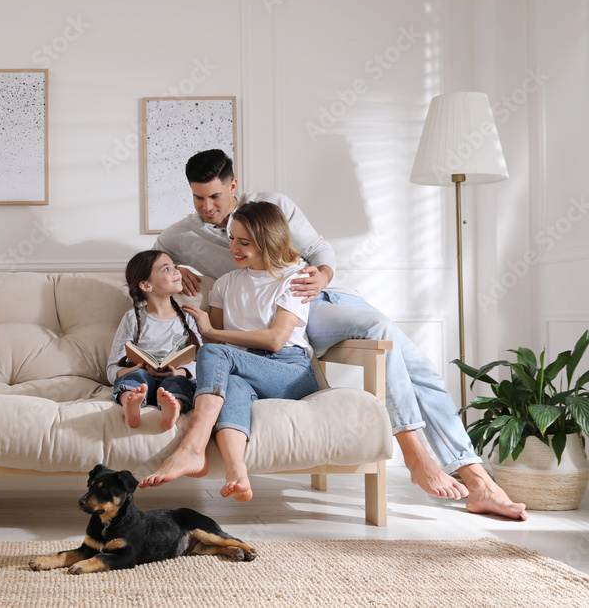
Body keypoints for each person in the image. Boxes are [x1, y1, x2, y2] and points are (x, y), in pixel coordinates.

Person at [142, 148, 527, 521]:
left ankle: (446, 466)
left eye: (214, 196)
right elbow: (153, 256)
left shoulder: (272, 206)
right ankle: (460, 476)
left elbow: (319, 250)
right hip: (273, 323)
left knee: (412, 362)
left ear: (233, 185)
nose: (207, 207)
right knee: (396, 349)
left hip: (315, 300)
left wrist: (319, 277)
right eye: (197, 198)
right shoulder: (185, 235)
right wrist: (176, 266)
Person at [177, 201, 319, 501]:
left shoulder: (295, 278)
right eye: (231, 238)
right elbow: (213, 347)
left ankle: (193, 447)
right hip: (244, 369)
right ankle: (237, 471)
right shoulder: (226, 284)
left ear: (269, 242)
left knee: (217, 356)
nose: (233, 248)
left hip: (289, 371)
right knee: (233, 384)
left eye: (244, 242)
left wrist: (211, 332)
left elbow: (276, 339)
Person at [106, 251, 201, 430]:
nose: (177, 272)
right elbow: (111, 369)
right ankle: (130, 404)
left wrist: (179, 373)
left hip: (175, 377)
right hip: (142, 378)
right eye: (166, 269)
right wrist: (135, 368)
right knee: (135, 377)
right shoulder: (132, 318)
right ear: (146, 285)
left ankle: (173, 408)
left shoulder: (188, 318)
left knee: (178, 384)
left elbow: (204, 364)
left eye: (174, 266)